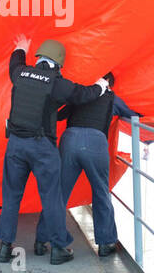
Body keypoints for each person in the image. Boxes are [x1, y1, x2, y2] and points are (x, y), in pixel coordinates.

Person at [0, 37, 108, 265]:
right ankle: (58, 248)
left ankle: (4, 247)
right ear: (58, 63)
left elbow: (15, 61)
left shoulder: (20, 73)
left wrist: (21, 45)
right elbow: (84, 95)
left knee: (11, 197)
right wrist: (102, 86)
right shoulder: (57, 83)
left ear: (39, 58)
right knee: (52, 197)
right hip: (41, 148)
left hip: (15, 144)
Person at [57, 71, 140, 256]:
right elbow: (133, 116)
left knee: (59, 192)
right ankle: (105, 243)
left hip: (69, 139)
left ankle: (46, 240)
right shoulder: (112, 98)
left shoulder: (80, 94)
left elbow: (60, 114)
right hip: (95, 141)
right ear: (110, 84)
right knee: (101, 192)